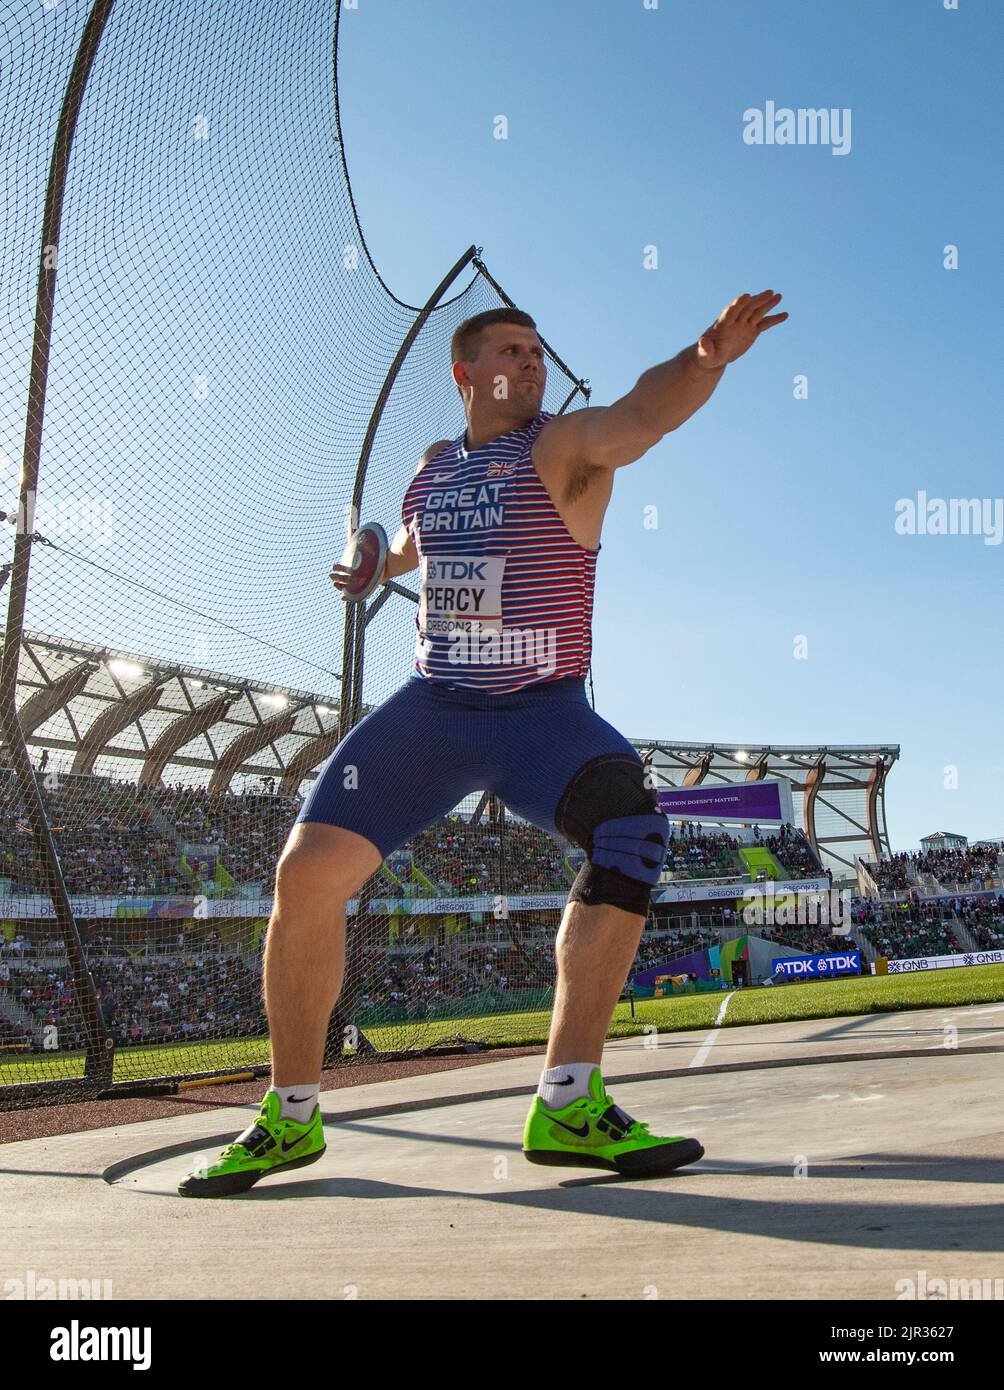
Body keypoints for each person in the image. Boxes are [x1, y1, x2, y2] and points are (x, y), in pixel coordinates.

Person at [180, 291, 788, 1196]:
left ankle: (569, 1103)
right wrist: (373, 557)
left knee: (629, 830)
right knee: (304, 876)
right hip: (437, 709)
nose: (534, 360)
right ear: (466, 373)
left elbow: (643, 414)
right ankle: (290, 1118)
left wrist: (705, 356)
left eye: (540, 348)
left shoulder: (561, 447)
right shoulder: (432, 467)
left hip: (542, 713)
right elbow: (415, 542)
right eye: (513, 348)